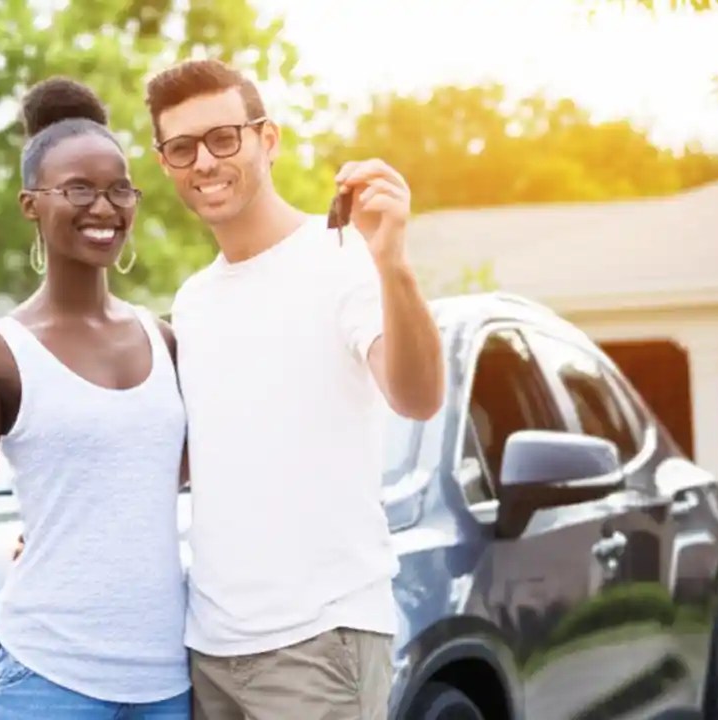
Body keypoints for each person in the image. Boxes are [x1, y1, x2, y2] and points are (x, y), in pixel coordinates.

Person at [142, 59, 446, 719]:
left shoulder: (342, 257)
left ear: (267, 140)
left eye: (224, 138)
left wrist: (392, 262)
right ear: (164, 163)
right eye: (182, 147)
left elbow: (418, 397)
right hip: (208, 647)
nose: (205, 162)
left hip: (319, 639)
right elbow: (190, 458)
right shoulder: (193, 301)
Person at [0, 77, 191, 719]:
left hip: (165, 677)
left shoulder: (164, 340)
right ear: (30, 203)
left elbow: (174, 486)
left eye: (118, 190)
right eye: (78, 189)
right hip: (49, 674)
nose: (103, 208)